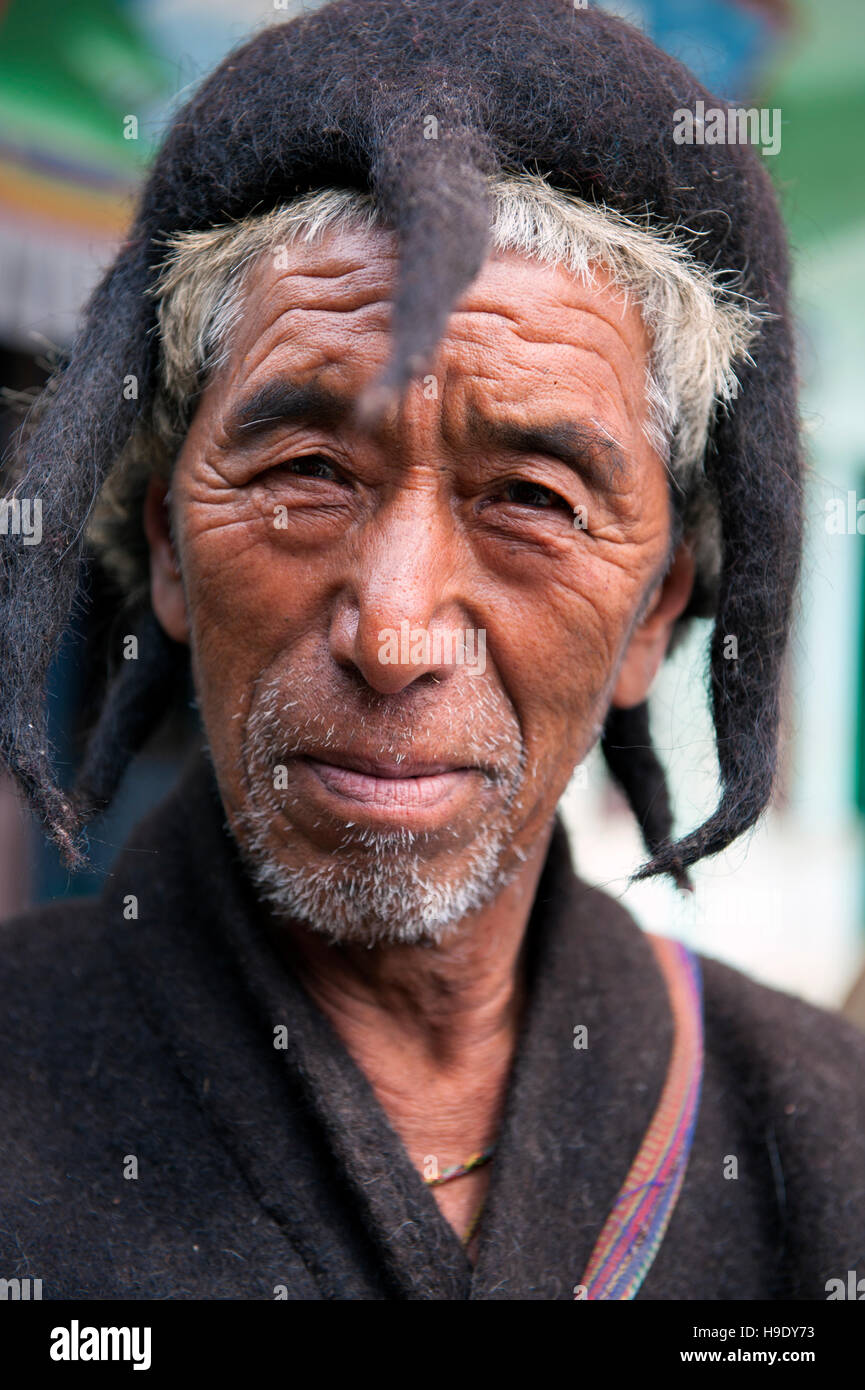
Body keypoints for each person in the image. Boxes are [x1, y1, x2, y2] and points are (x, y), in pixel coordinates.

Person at [1, 0, 863, 1301]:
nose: (393, 631)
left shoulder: (821, 1131)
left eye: (528, 497)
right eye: (305, 472)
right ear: (166, 547)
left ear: (652, 609)